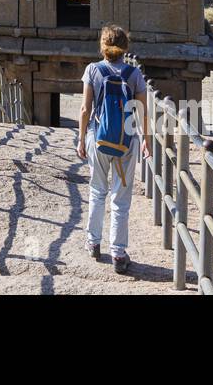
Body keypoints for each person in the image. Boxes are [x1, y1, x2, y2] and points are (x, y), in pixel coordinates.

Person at [75, 24, 149, 273]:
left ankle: (93, 243)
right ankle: (118, 254)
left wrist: (81, 137)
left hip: (98, 138)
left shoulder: (92, 70)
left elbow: (86, 109)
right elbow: (142, 112)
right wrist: (145, 139)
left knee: (97, 191)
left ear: (102, 46)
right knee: (121, 200)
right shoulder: (134, 74)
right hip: (126, 142)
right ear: (126, 48)